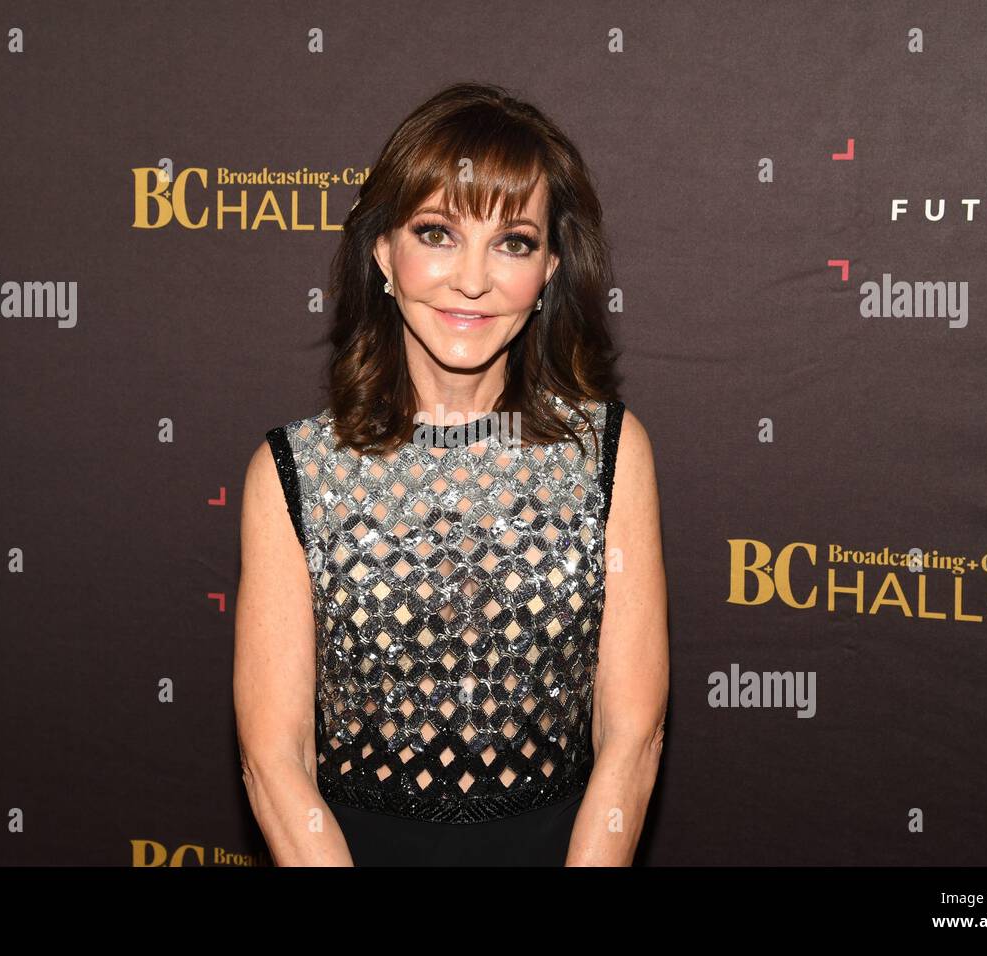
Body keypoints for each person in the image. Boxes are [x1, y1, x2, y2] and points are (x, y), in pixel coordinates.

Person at [234, 82, 668, 866]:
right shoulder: (294, 472)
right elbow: (275, 761)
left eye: (513, 242)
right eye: (437, 232)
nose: (473, 279)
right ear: (384, 256)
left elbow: (631, 738)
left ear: (548, 274)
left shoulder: (608, 454)